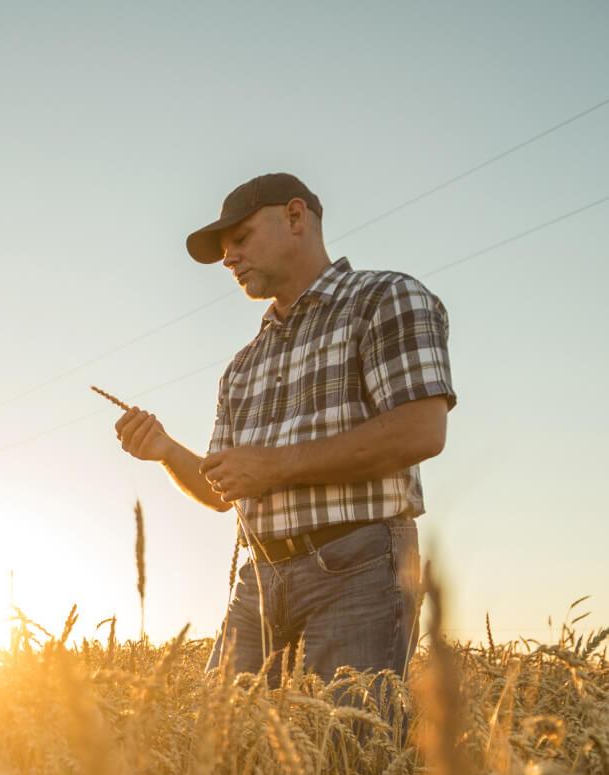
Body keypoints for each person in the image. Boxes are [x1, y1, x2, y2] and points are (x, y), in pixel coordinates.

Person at [114, 173, 456, 691]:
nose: (229, 258)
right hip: (258, 579)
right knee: (222, 748)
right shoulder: (242, 366)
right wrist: (164, 450)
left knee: (347, 755)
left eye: (241, 238)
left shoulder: (386, 298)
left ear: (296, 217)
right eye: (225, 251)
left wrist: (274, 466)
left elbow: (420, 431)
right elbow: (220, 490)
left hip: (359, 564)